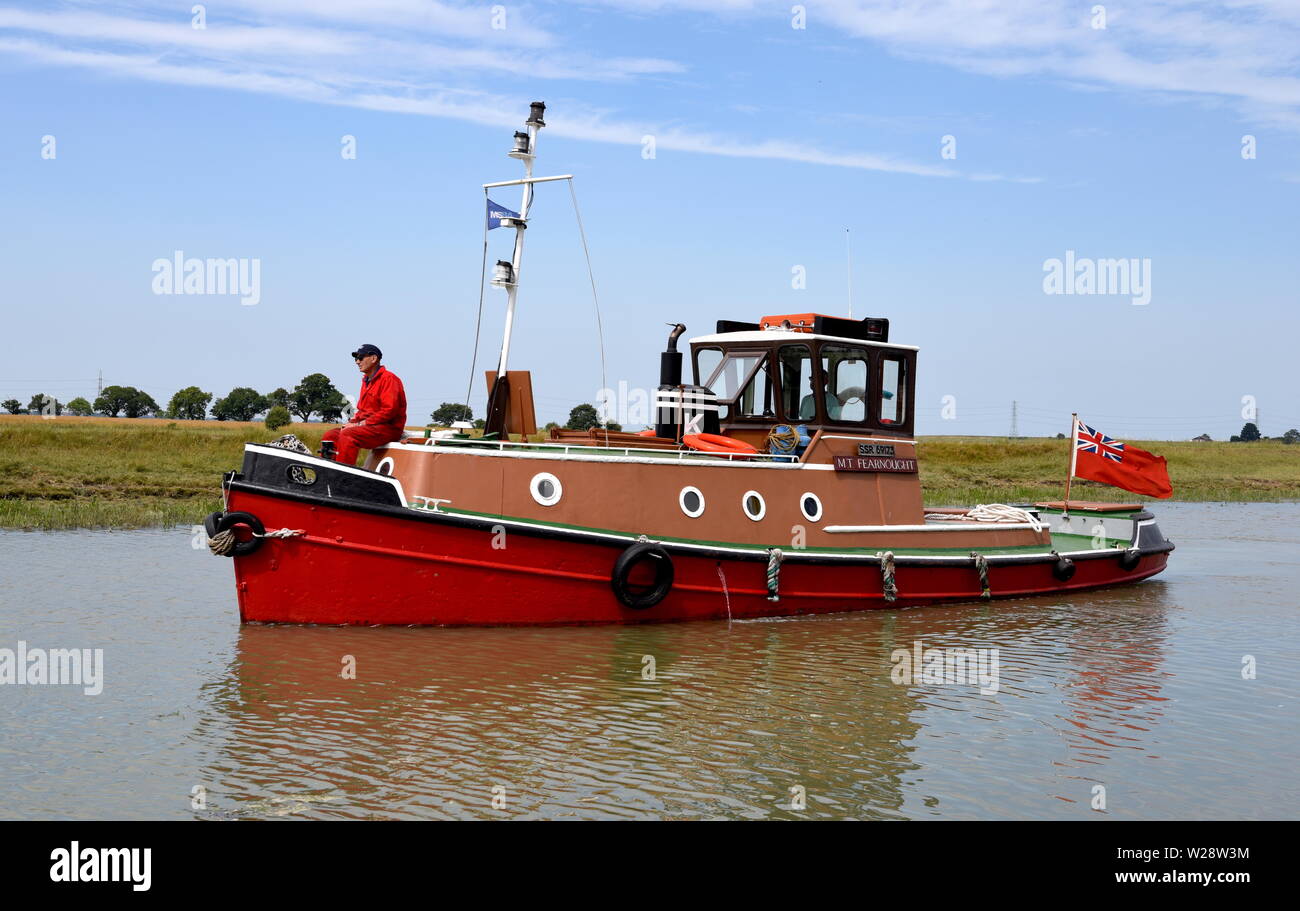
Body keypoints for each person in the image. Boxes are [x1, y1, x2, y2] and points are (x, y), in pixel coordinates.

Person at [321, 344, 407, 465]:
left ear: (373, 358)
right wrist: (353, 423)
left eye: (360, 358)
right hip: (370, 427)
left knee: (348, 434)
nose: (357, 362)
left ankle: (344, 477)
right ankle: (327, 472)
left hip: (388, 428)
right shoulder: (366, 380)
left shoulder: (389, 379)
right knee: (330, 436)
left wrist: (360, 424)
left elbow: (389, 411)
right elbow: (363, 411)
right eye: (355, 358)